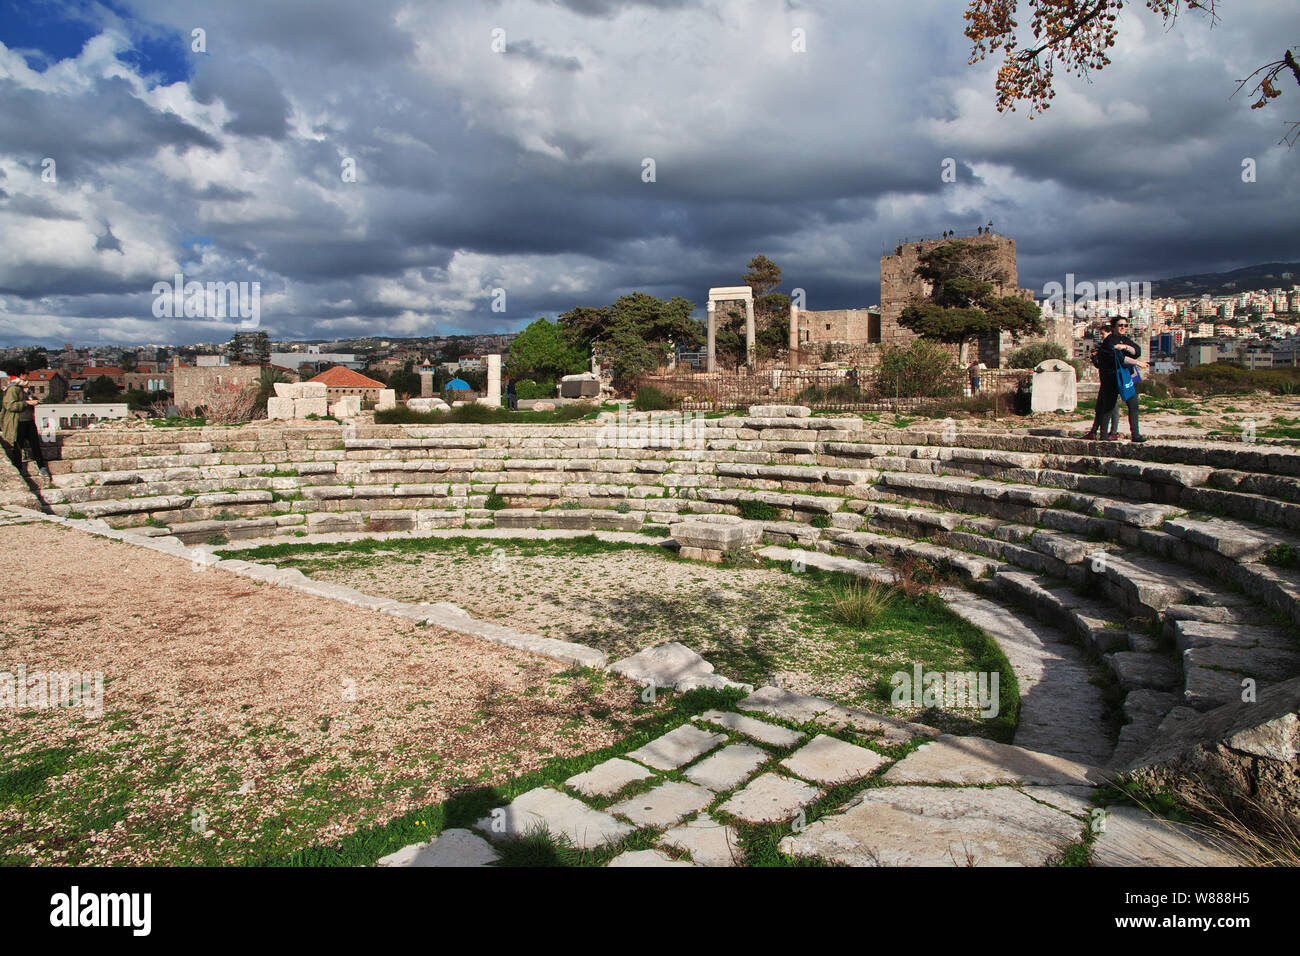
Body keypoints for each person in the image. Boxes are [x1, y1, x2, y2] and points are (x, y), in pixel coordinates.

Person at [1084, 317, 1145, 443]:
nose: (1123, 327)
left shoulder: (1125, 340)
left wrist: (1124, 347)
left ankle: (1135, 434)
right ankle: (1104, 435)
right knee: (1108, 407)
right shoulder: (1109, 341)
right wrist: (1137, 362)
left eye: (1125, 325)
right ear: (1113, 327)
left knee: (1133, 404)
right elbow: (1119, 358)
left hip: (1124, 377)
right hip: (1111, 378)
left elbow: (1137, 350)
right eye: (1120, 325)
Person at [2, 367, 52, 478]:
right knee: (18, 446)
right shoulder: (13, 389)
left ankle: (41, 467)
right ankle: (18, 469)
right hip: (19, 422)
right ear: (20, 375)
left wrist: (32, 399)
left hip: (28, 420)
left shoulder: (23, 388)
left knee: (35, 445)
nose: (27, 376)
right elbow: (10, 406)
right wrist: (27, 403)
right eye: (26, 374)